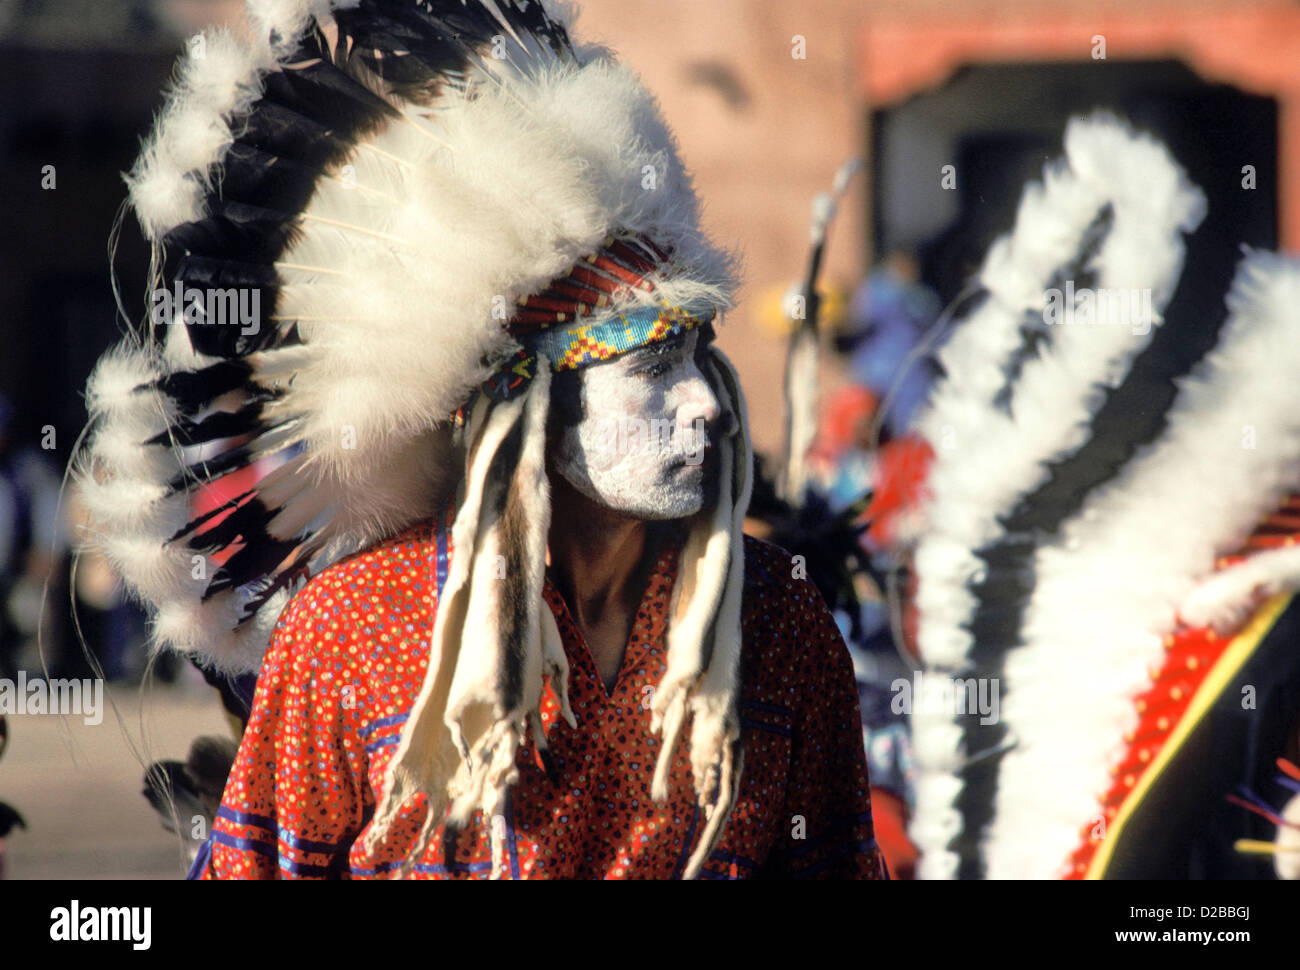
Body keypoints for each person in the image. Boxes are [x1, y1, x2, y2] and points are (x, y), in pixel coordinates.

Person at [77, 0, 888, 880]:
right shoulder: (349, 632)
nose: (705, 405)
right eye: (651, 369)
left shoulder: (778, 626)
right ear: (520, 401)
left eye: (702, 360)